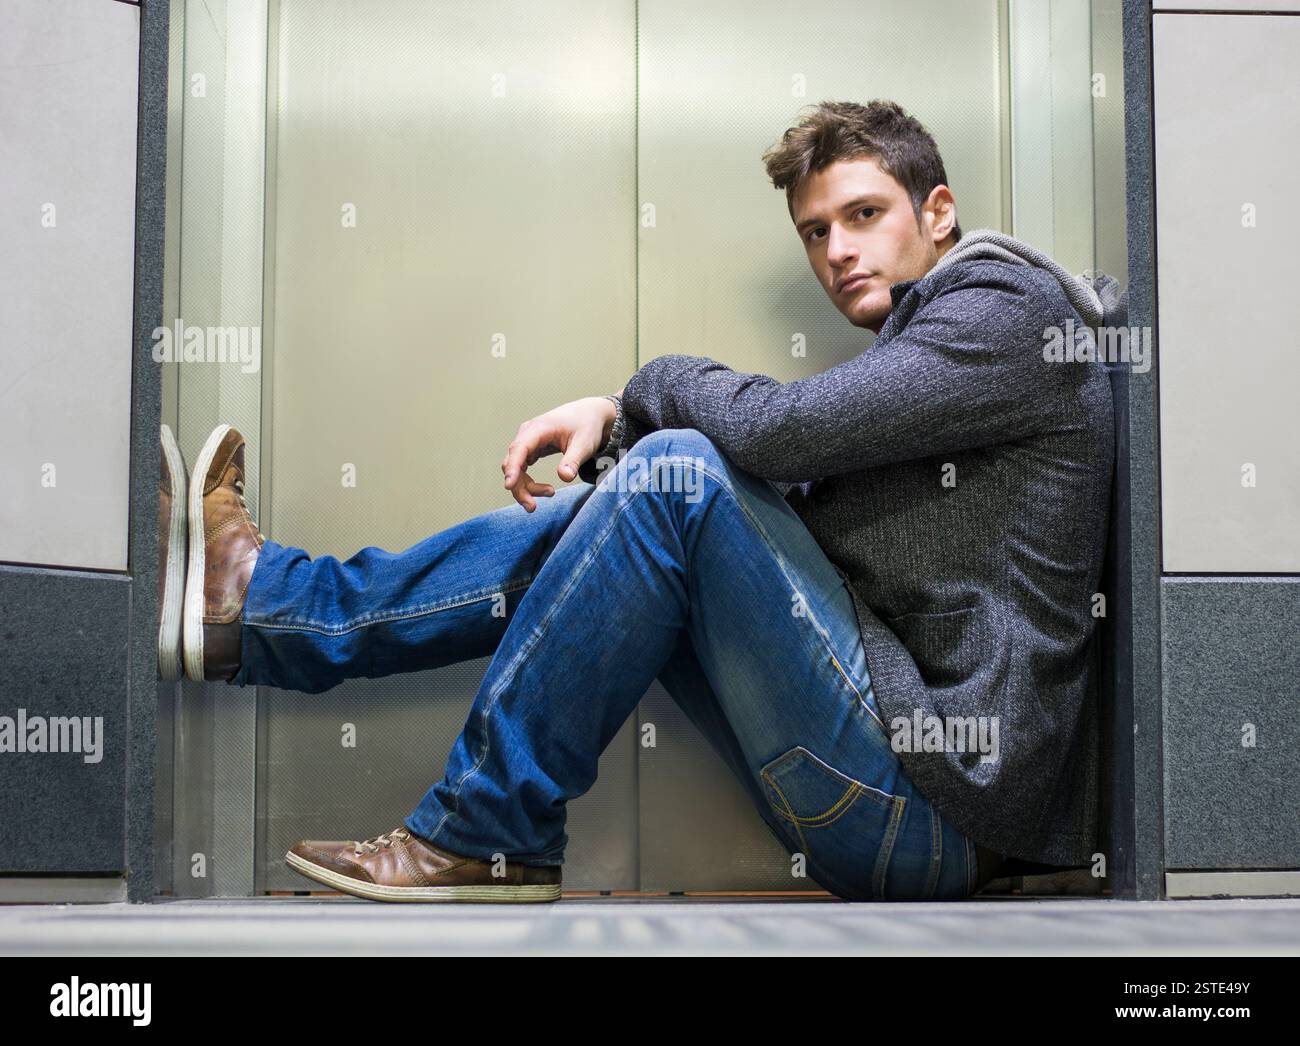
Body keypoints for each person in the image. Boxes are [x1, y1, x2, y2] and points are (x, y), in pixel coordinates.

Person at [157, 99, 1114, 903]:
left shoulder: (1007, 309)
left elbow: (778, 437)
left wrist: (638, 394)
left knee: (677, 474)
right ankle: (259, 609)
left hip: (937, 815)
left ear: (937, 211)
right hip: (878, 796)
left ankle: (485, 824)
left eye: (864, 216)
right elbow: (780, 502)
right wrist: (622, 431)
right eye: (817, 232)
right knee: (654, 485)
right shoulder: (929, 361)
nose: (837, 252)